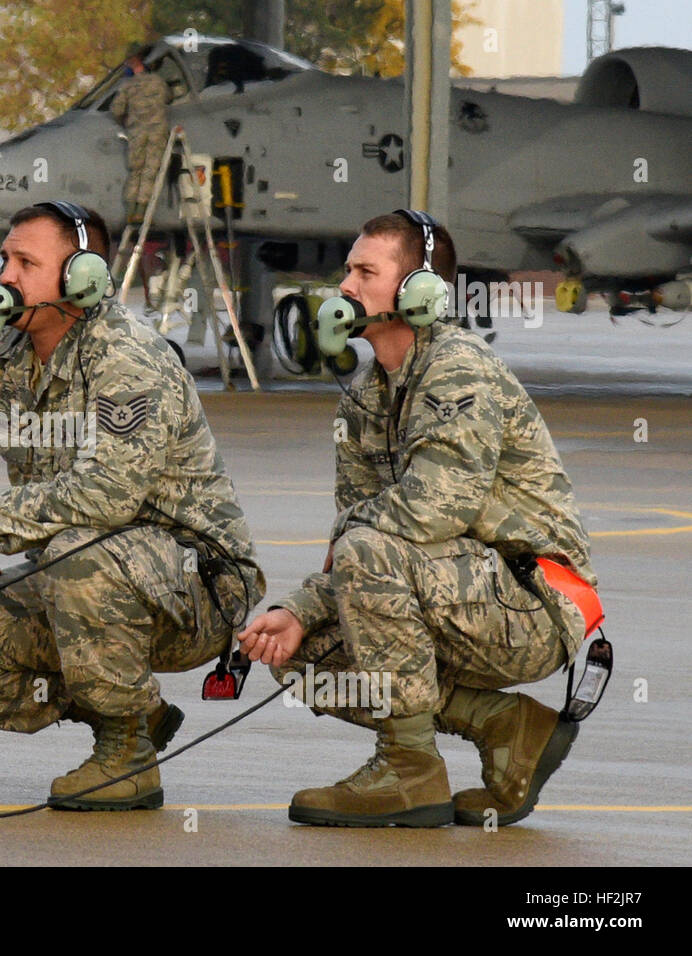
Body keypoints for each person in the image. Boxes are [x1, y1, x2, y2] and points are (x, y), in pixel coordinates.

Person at [0, 200, 262, 810]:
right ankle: (131, 710)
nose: (5, 275)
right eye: (4, 258)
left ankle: (128, 756)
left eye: (26, 262)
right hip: (76, 583)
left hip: (195, 592)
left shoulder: (128, 357)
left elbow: (109, 493)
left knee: (77, 551)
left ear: (81, 278)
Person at [238, 210, 598, 828]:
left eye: (364, 272)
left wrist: (344, 552)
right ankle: (506, 726)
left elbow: (431, 510)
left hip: (533, 600)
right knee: (302, 652)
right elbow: (365, 542)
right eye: (347, 270)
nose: (345, 287)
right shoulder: (364, 397)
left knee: (364, 552)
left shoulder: (458, 367)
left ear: (418, 292)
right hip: (455, 593)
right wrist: (296, 611)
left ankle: (409, 769)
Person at [110, 53, 171, 224]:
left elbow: (116, 110)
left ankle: (130, 211)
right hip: (157, 132)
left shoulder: (127, 86)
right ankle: (142, 211)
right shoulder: (158, 82)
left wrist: (128, 122)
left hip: (136, 132)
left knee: (135, 170)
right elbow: (169, 97)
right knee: (150, 170)